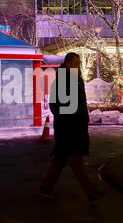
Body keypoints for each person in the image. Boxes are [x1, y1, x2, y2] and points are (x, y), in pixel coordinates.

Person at [39, 52, 104, 205]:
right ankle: (91, 192)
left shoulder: (74, 80)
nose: (78, 66)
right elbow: (56, 106)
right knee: (76, 161)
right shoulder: (64, 81)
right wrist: (71, 121)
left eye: (79, 64)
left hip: (72, 128)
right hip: (69, 130)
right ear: (68, 64)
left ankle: (45, 187)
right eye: (76, 63)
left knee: (60, 160)